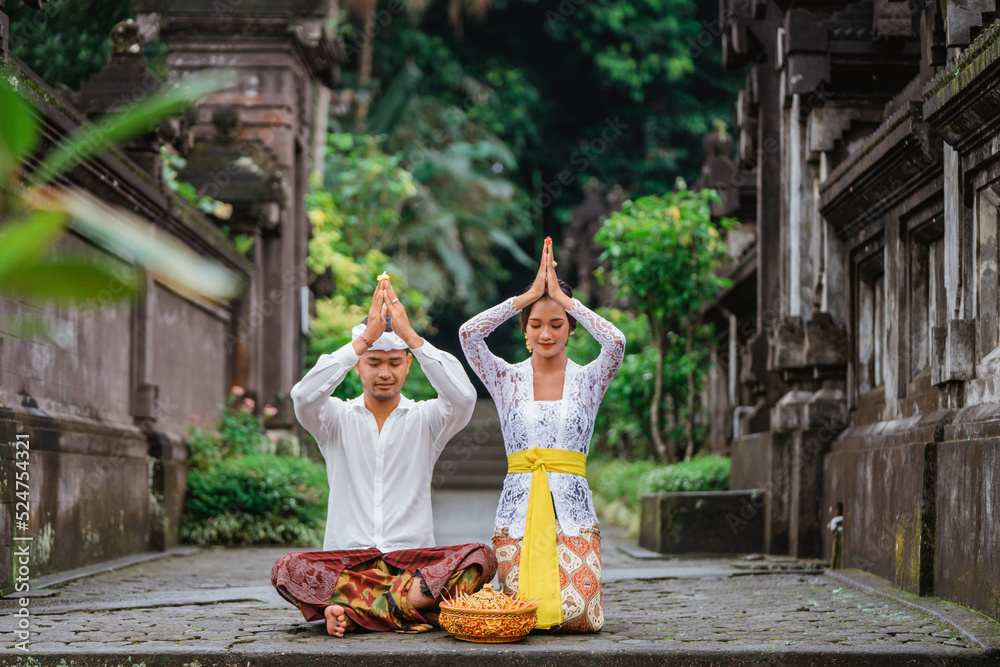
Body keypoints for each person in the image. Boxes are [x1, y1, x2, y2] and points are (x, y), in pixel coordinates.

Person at [271, 279, 497, 636]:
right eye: (374, 362)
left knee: (480, 557)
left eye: (394, 362)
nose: (385, 373)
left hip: (412, 564)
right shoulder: (334, 419)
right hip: (348, 563)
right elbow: (303, 397)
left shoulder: (427, 419)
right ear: (358, 366)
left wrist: (412, 338)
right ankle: (410, 610)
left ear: (408, 365)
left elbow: (463, 398)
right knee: (288, 567)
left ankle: (352, 610)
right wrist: (360, 341)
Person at [459, 238, 626, 632]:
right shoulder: (505, 378)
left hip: (573, 511)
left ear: (571, 329)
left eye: (557, 324)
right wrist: (530, 295)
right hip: (518, 509)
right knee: (521, 616)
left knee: (579, 617)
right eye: (536, 324)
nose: (546, 333)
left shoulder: (589, 379)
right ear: (524, 330)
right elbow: (469, 334)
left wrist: (567, 302)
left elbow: (616, 342)